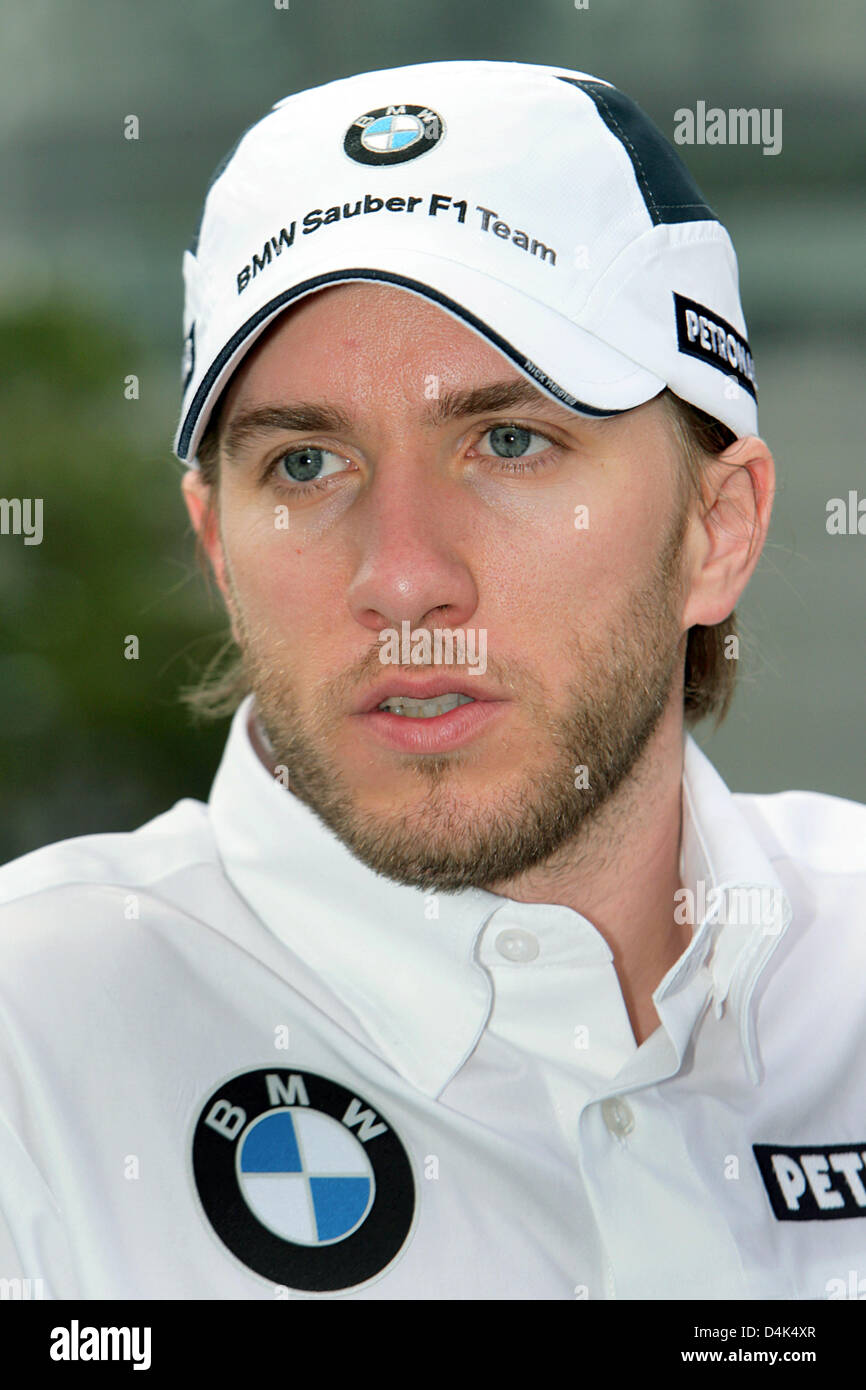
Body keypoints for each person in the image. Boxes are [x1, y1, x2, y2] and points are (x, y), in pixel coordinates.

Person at [1, 59, 864, 1302]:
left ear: (714, 527)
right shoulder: (32, 1058)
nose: (401, 578)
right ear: (218, 553)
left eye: (507, 442)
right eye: (304, 463)